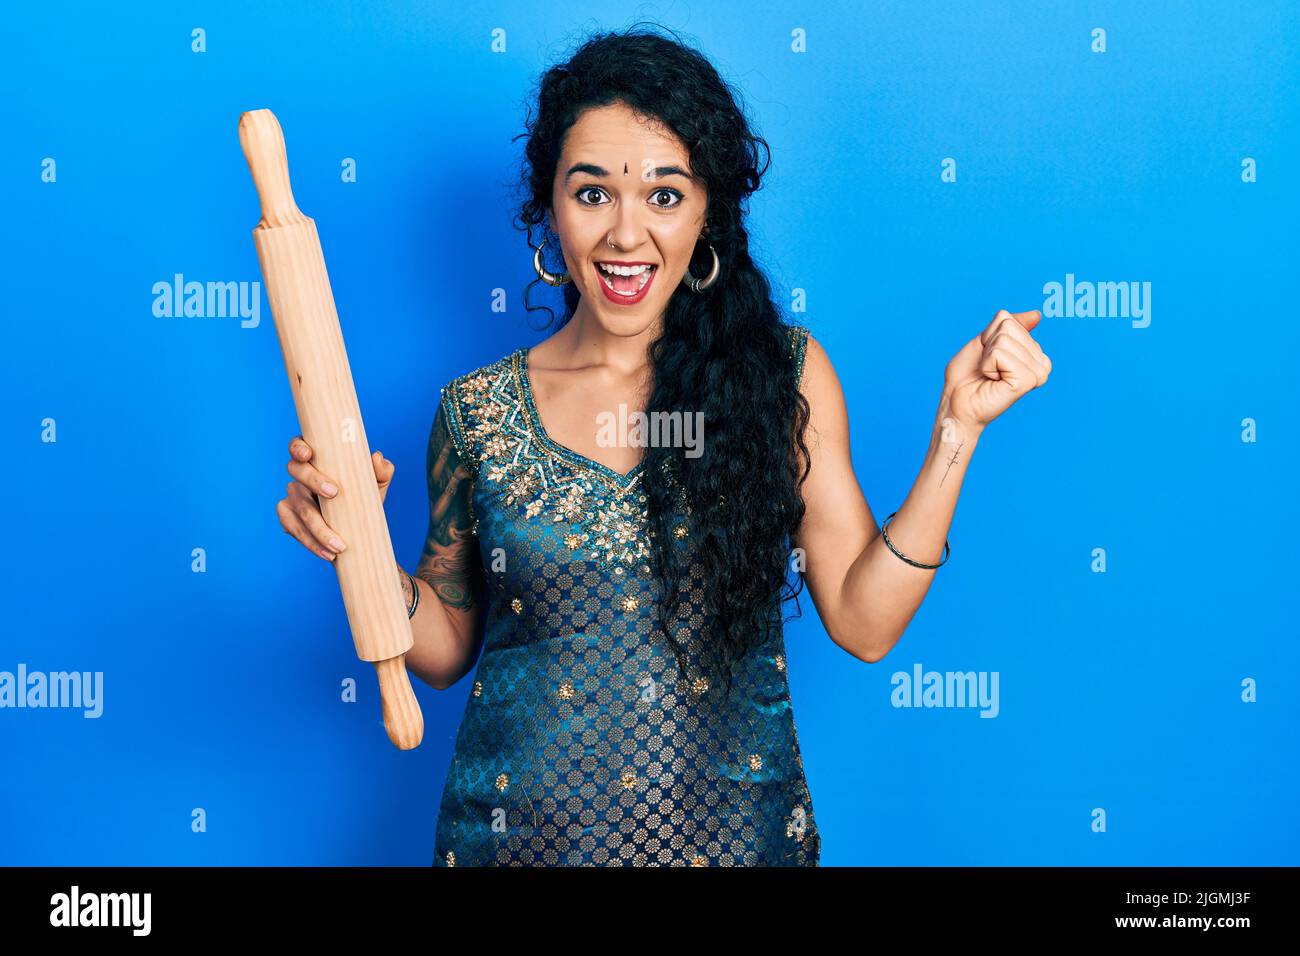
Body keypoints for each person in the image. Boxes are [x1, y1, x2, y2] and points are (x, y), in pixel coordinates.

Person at [274, 25, 1051, 866]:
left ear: (708, 212)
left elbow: (865, 624)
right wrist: (360, 553)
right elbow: (444, 647)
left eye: (665, 196)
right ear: (548, 208)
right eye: (593, 193)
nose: (625, 236)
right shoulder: (475, 412)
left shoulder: (780, 378)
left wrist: (955, 433)